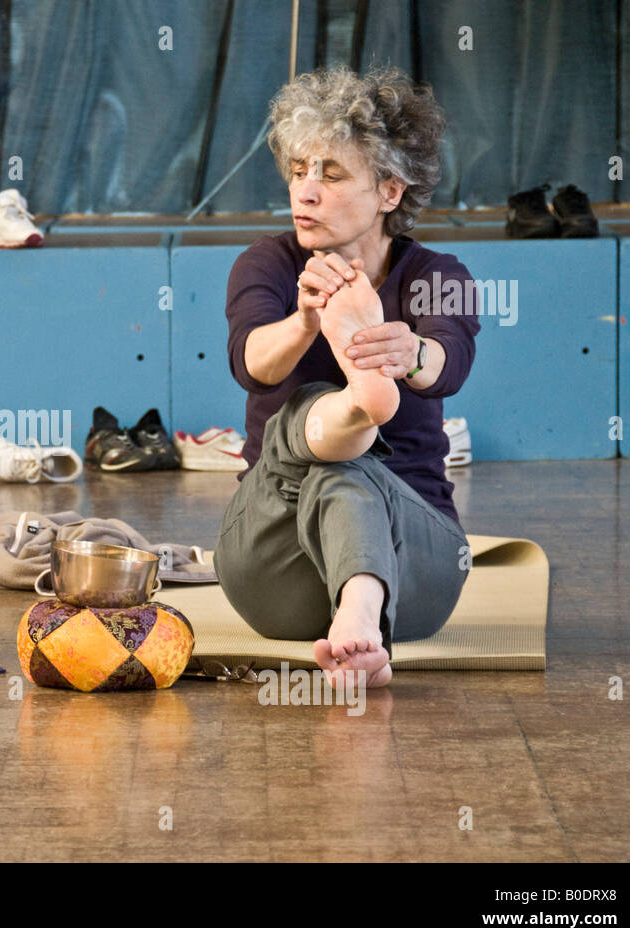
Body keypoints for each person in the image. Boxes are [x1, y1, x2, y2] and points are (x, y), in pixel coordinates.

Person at [215, 66, 480, 689]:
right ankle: (358, 410)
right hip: (272, 562)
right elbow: (253, 362)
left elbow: (450, 362)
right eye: (298, 171)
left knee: (347, 468)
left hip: (414, 569)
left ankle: (358, 605)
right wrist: (307, 319)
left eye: (331, 176)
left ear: (390, 192)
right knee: (315, 425)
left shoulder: (436, 274)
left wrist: (410, 352)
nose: (305, 192)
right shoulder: (268, 263)